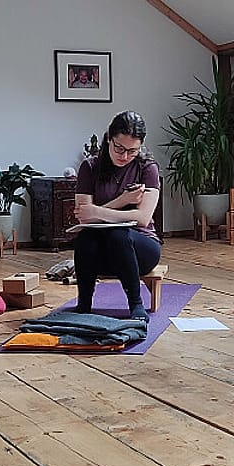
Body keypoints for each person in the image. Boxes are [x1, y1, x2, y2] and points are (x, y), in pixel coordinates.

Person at [72, 110, 162, 321]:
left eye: (132, 151)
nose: (124, 156)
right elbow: (84, 218)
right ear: (108, 139)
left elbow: (142, 218)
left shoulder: (147, 168)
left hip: (141, 248)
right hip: (101, 255)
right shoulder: (90, 167)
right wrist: (122, 201)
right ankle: (83, 303)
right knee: (85, 238)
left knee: (119, 235)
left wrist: (98, 211)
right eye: (119, 148)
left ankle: (136, 304)